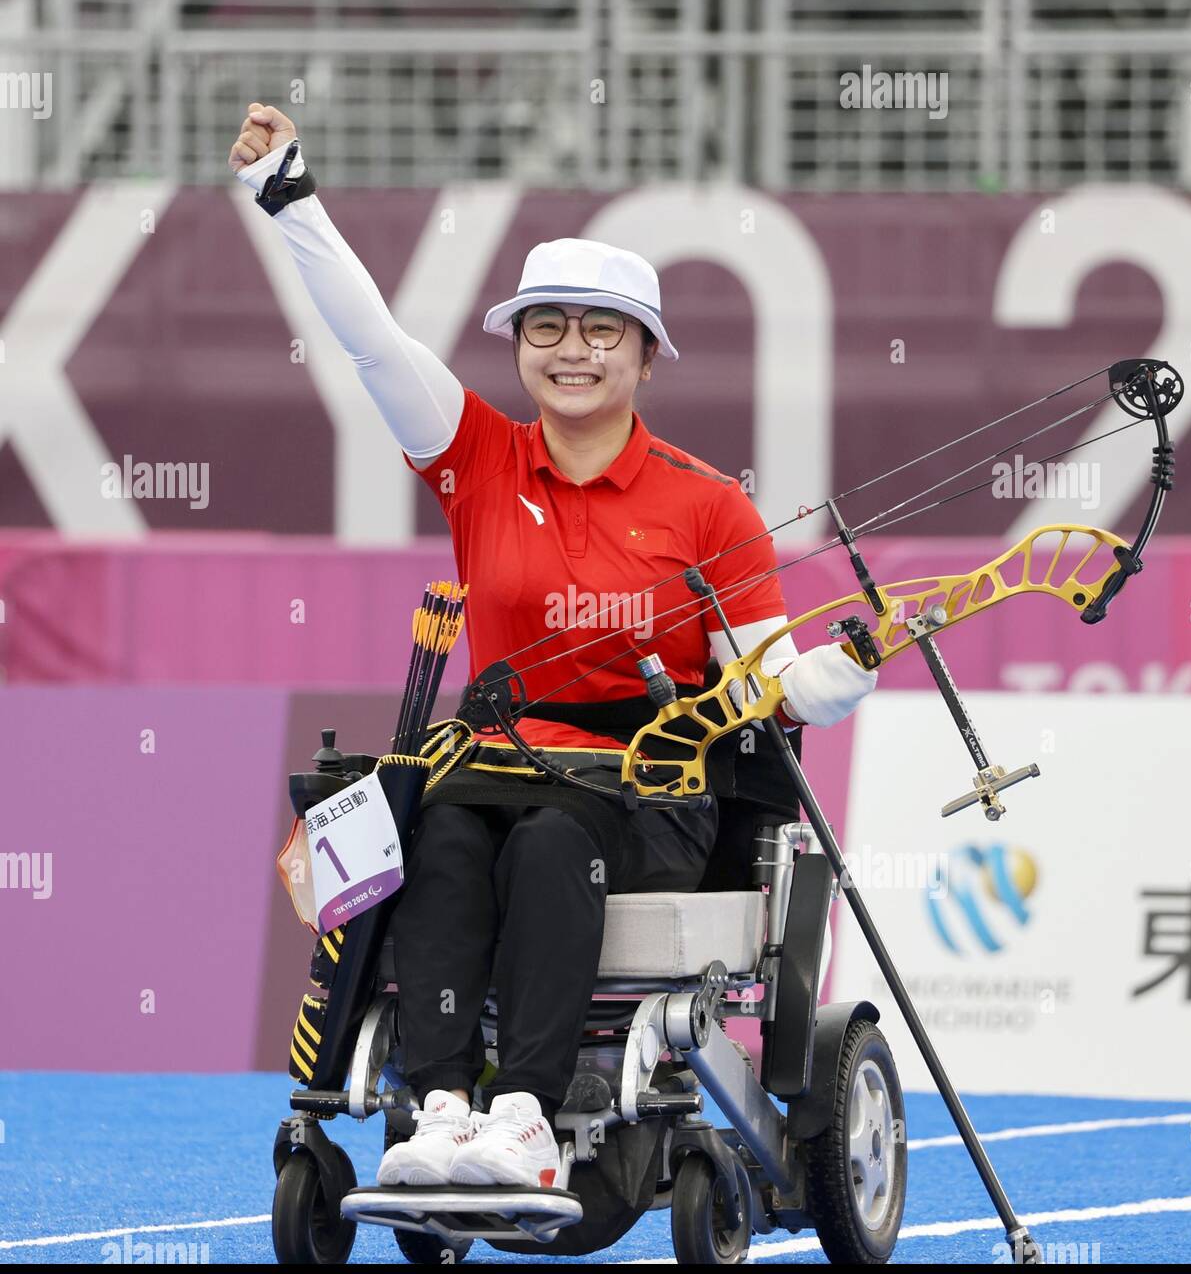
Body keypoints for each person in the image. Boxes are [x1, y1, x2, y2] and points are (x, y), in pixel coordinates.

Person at [229, 103, 878, 1191]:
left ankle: (524, 1115)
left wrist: (841, 674)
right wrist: (290, 200)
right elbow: (372, 342)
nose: (571, 351)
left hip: (651, 789)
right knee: (433, 839)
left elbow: (772, 688)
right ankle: (440, 1109)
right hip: (493, 766)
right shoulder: (476, 457)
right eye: (547, 327)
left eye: (600, 330)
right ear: (521, 344)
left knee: (542, 839)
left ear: (644, 355)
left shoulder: (711, 507)